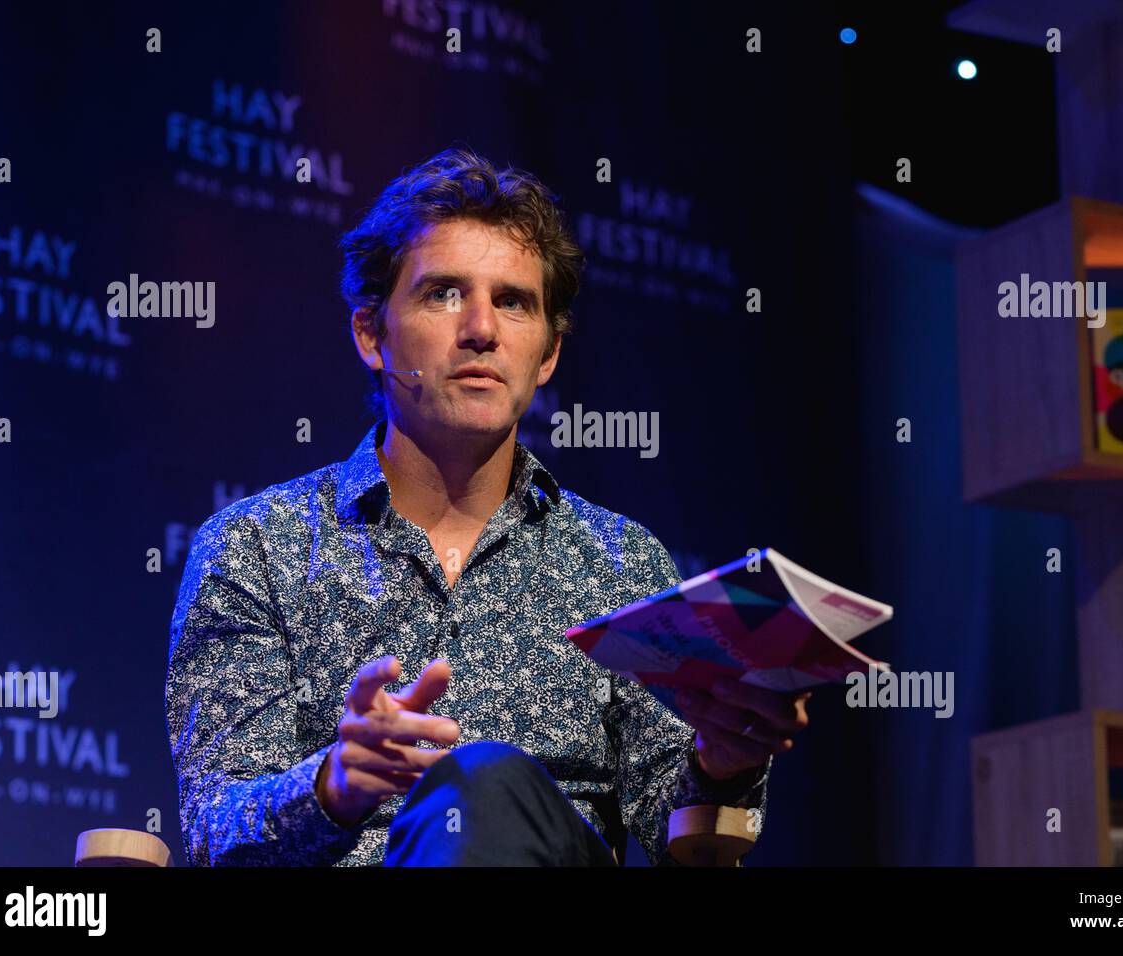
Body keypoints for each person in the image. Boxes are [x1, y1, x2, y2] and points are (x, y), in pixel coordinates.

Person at [164, 146, 810, 867]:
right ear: (371, 334)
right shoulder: (256, 544)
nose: (481, 329)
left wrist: (722, 759)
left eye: (513, 301)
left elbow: (678, 835)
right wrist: (333, 783)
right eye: (443, 293)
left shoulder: (619, 562)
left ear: (547, 355)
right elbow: (214, 824)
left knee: (486, 784)